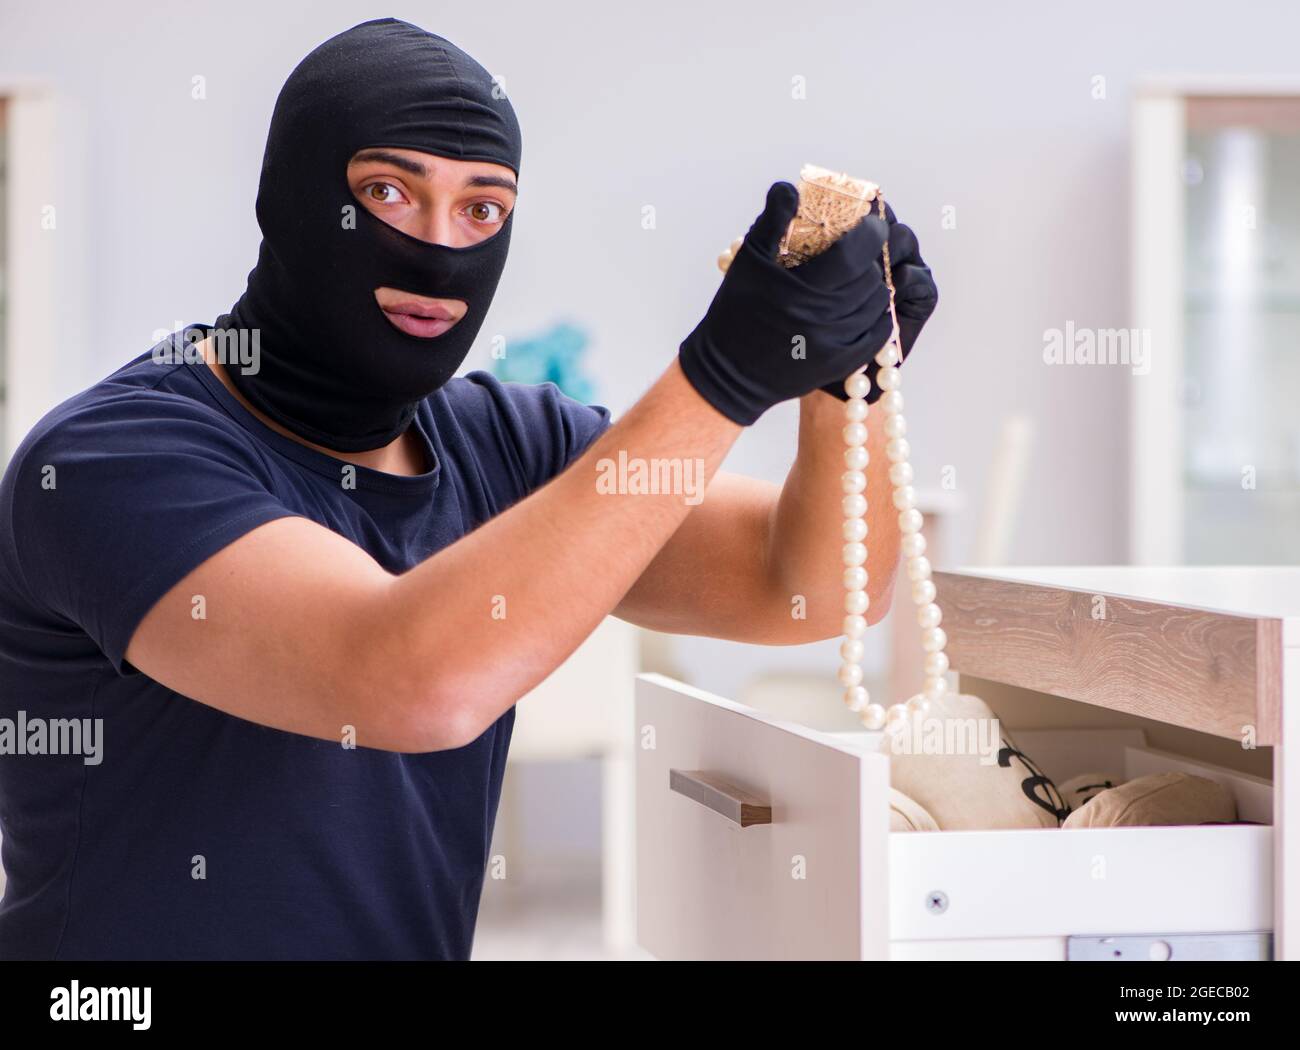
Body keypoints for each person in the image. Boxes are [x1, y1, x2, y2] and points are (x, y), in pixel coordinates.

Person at [0, 17, 936, 959]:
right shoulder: (109, 459)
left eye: (482, 209)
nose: (439, 251)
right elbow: (402, 683)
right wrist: (718, 381)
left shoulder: (506, 443)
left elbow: (812, 588)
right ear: (289, 197)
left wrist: (848, 376)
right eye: (388, 192)